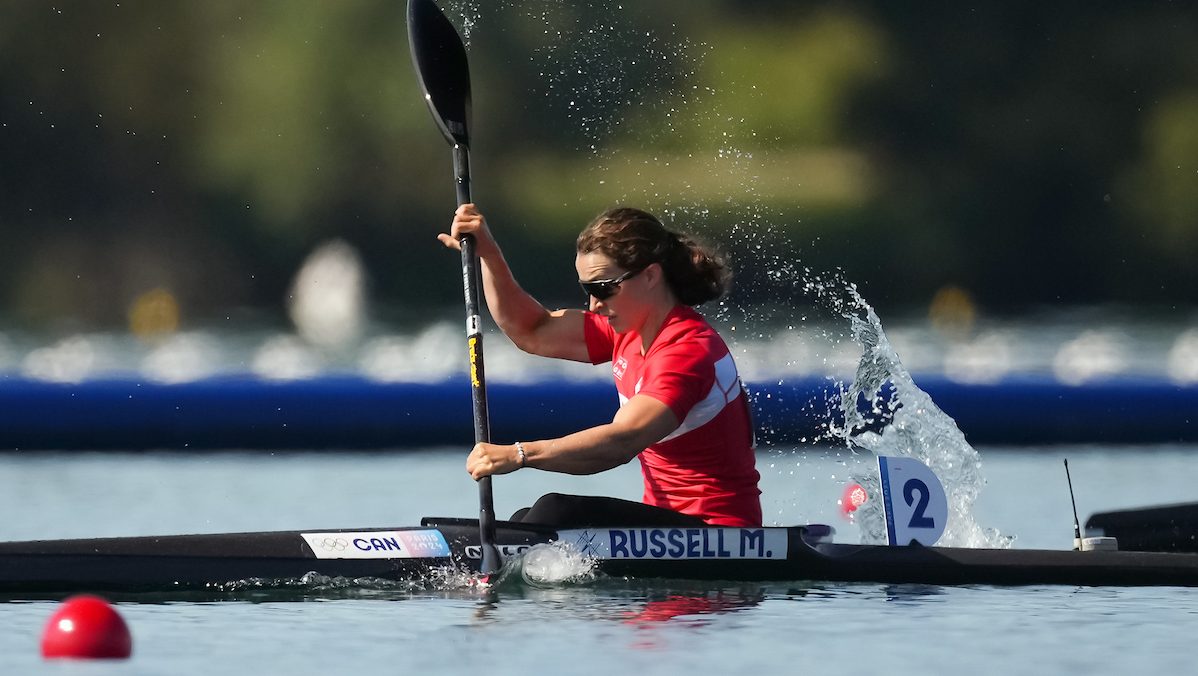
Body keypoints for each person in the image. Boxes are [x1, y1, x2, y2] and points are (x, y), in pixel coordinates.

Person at [439, 204, 762, 527]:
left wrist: (520, 454)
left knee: (554, 511)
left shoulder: (687, 350)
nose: (594, 304)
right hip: (670, 528)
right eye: (587, 290)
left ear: (650, 275)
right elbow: (531, 331)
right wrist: (488, 255)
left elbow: (622, 442)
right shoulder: (627, 329)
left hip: (719, 531)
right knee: (527, 520)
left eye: (603, 288)